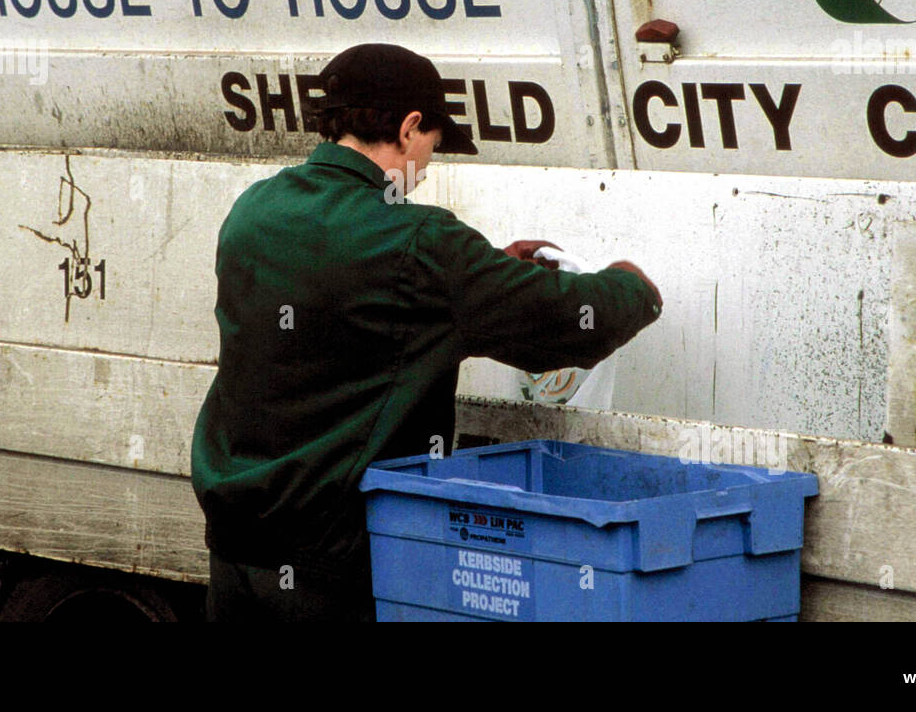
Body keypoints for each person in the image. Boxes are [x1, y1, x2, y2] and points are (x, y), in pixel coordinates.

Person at [191, 43, 662, 621]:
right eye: (434, 146)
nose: (428, 164)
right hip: (337, 564)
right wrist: (630, 284)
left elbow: (347, 310)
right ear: (410, 127)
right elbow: (568, 327)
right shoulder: (421, 245)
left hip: (236, 548)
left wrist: (484, 273)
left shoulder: (255, 211)